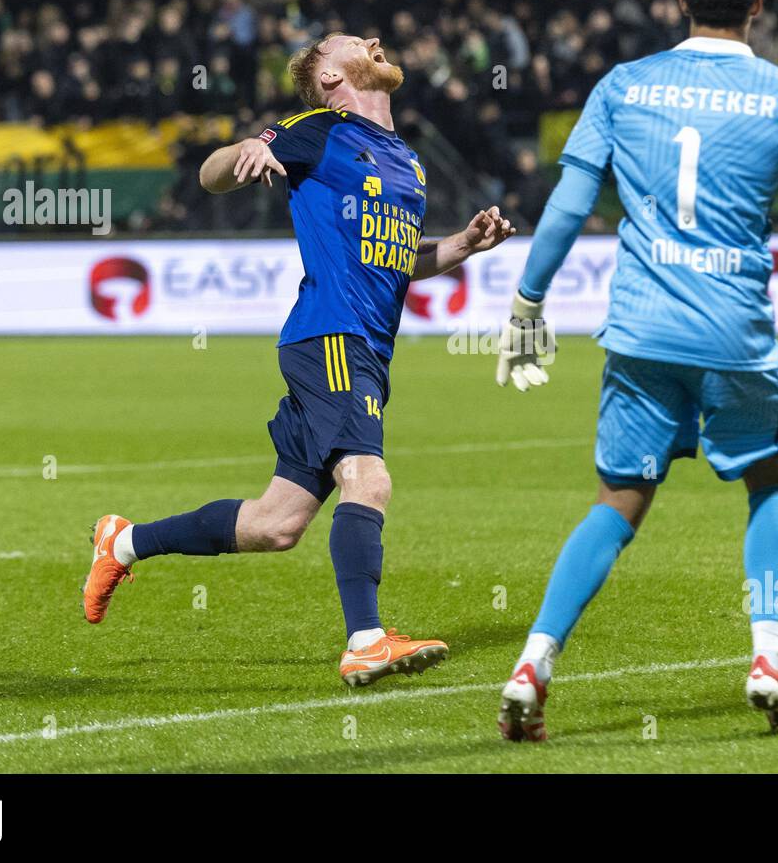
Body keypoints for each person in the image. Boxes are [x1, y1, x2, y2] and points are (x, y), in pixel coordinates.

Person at [493, 0, 778, 741]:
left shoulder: (623, 85)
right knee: (770, 479)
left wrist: (527, 307)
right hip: (733, 336)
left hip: (640, 333)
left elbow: (569, 208)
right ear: (757, 3)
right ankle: (767, 656)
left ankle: (533, 663)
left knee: (619, 499)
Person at [83, 33, 515, 688]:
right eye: (354, 42)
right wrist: (249, 150)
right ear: (333, 77)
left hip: (361, 347)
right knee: (368, 482)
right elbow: (212, 172)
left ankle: (123, 541)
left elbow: (399, 260)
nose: (375, 40)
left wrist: (461, 245)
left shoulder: (409, 162)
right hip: (332, 338)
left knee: (275, 524)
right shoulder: (318, 128)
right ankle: (366, 640)